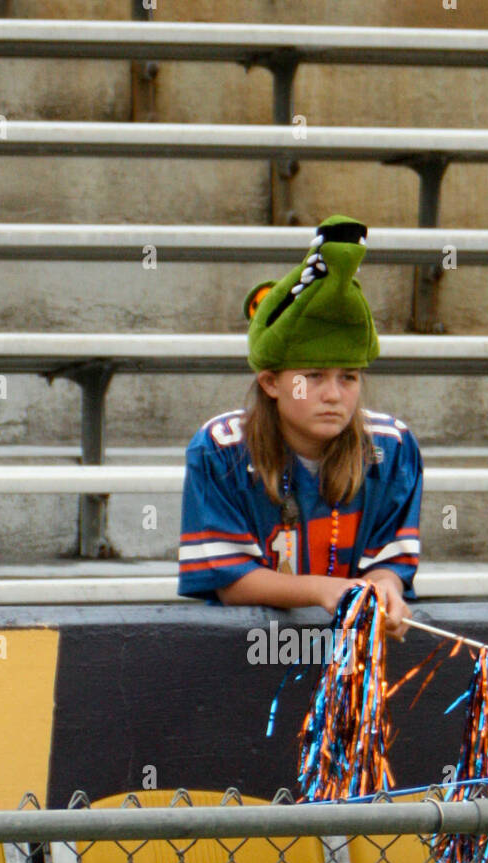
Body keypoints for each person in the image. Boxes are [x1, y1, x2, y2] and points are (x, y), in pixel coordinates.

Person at [178, 214, 423, 638]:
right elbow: (230, 581)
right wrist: (324, 590)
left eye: (348, 377)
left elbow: (387, 564)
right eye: (312, 377)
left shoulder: (391, 447)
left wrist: (385, 593)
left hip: (346, 658)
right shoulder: (220, 449)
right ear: (270, 382)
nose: (334, 394)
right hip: (242, 651)